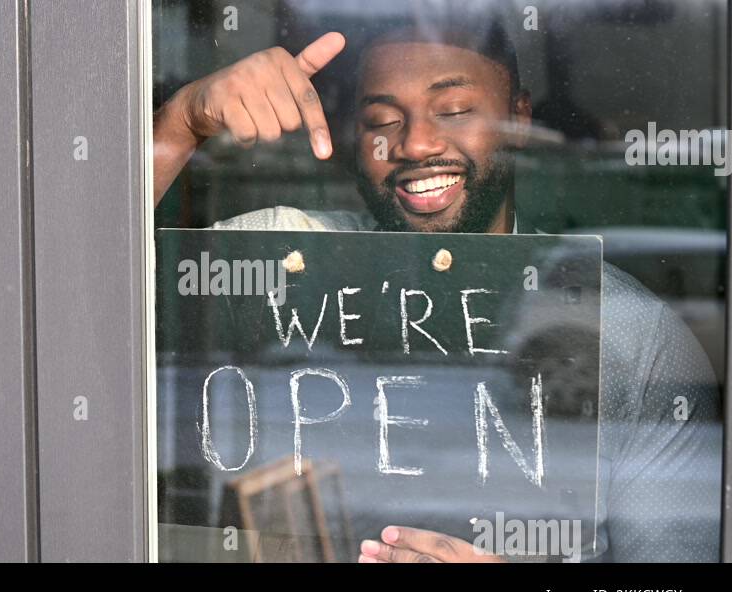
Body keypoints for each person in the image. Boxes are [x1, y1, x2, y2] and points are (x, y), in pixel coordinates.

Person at [152, 17, 723, 562]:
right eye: (380, 120)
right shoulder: (282, 258)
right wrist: (179, 125)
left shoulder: (628, 332)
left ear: (519, 120)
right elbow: (80, 287)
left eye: (453, 110)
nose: (417, 144)